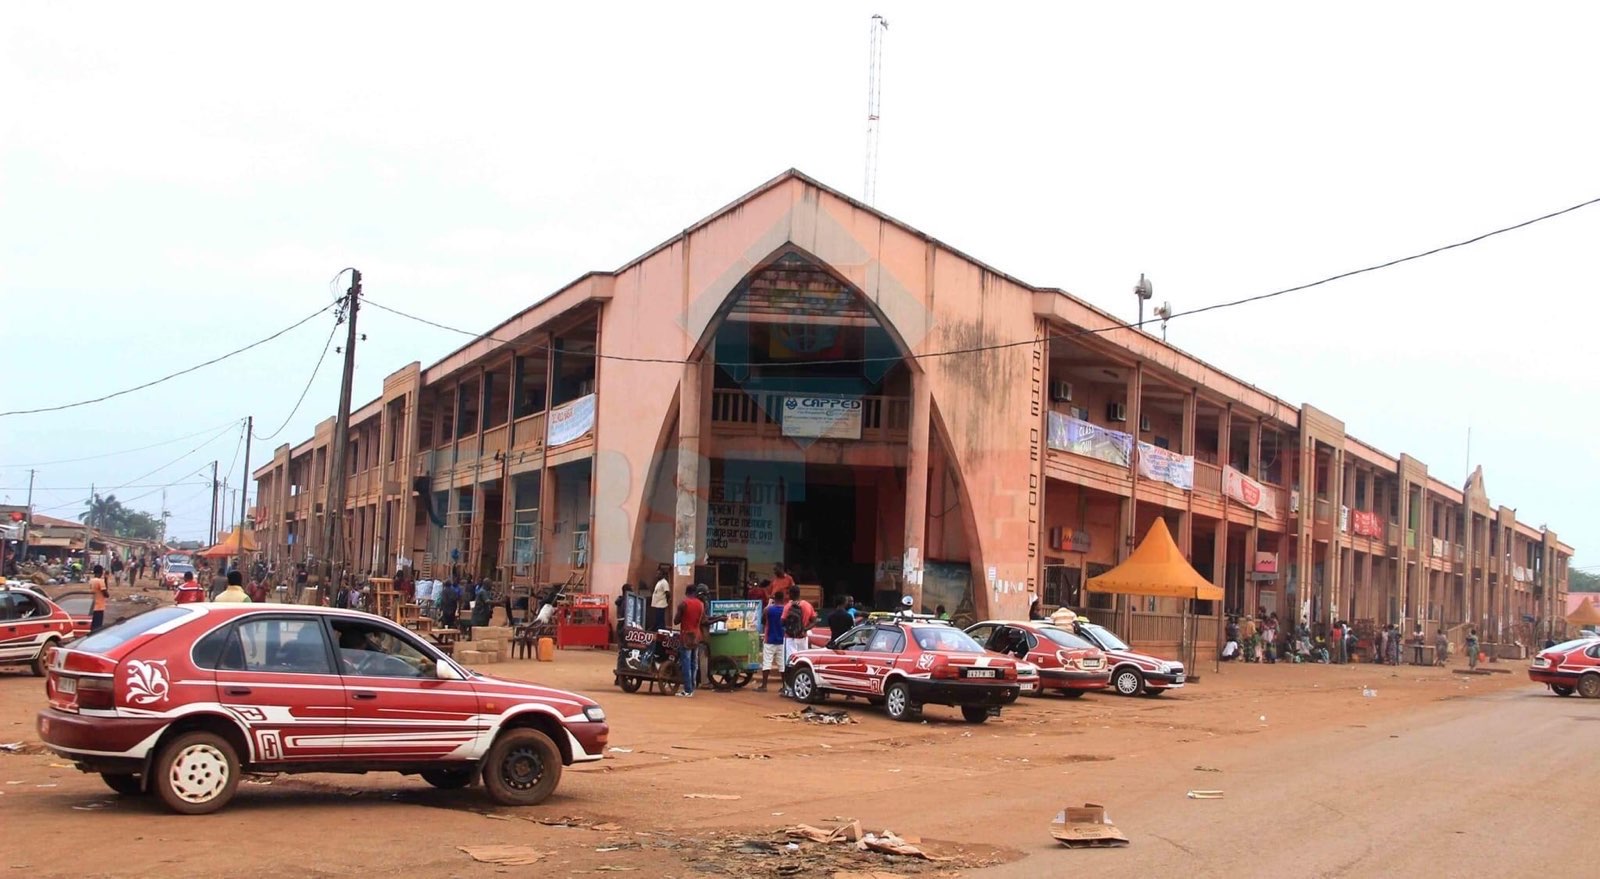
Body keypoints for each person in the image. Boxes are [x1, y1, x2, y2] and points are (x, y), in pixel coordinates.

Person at [673, 583, 706, 697]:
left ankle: (687, 689)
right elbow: (703, 620)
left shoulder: (683, 604)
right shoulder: (701, 604)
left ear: (686, 593)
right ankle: (692, 687)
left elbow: (676, 621)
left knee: (686, 663)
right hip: (696, 636)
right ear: (695, 593)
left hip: (686, 636)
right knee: (694, 663)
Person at [781, 585, 814, 681]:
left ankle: (789, 684)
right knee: (803, 661)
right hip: (803, 637)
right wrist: (805, 629)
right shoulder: (807, 605)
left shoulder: (788, 606)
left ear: (791, 594)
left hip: (790, 638)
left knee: (790, 661)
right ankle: (801, 681)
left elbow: (782, 621)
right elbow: (814, 620)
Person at [758, 588, 787, 693]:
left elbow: (762, 621)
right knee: (782, 664)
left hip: (769, 639)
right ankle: (784, 685)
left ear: (774, 598)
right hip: (782, 640)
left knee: (767, 662)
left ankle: (764, 685)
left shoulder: (768, 610)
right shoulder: (785, 609)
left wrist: (768, 605)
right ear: (783, 599)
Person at [88, 564, 109, 632]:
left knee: (93, 626)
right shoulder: (100, 581)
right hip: (99, 606)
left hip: (92, 605)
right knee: (98, 627)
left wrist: (105, 579)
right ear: (101, 572)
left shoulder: (91, 580)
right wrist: (105, 579)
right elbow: (106, 594)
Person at [651, 566, 671, 631]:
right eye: (657, 574)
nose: (657, 575)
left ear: (662, 575)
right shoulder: (659, 582)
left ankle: (660, 631)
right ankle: (656, 629)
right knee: (657, 619)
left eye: (659, 574)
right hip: (657, 604)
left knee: (660, 620)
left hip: (661, 604)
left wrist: (666, 602)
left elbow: (667, 593)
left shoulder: (664, 582)